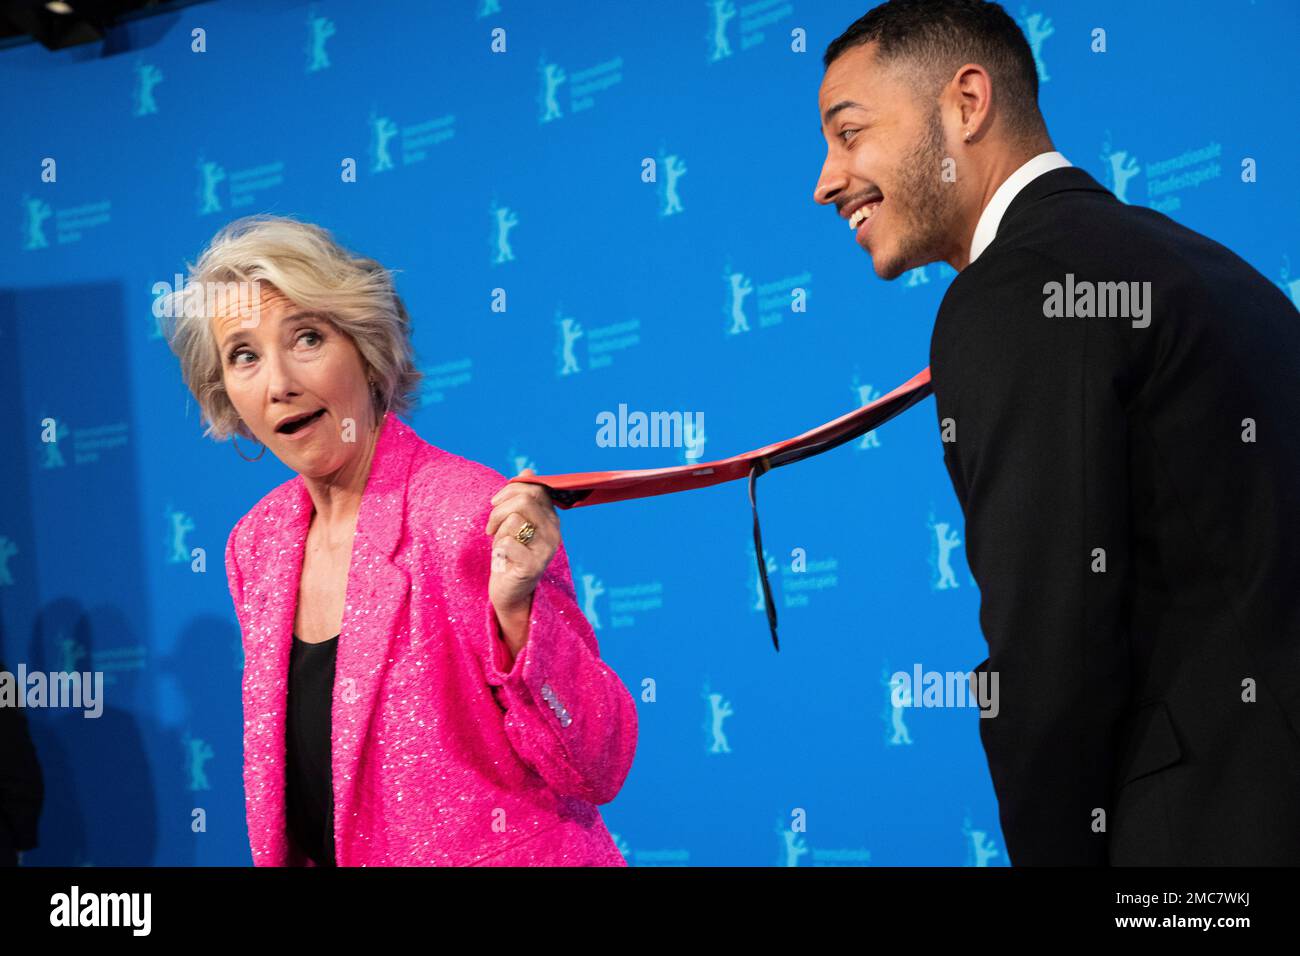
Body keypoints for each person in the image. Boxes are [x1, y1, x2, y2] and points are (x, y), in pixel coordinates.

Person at [814, 0, 1300, 864]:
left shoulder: (1018, 288)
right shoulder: (1223, 274)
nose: (826, 178)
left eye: (848, 133)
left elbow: (1049, 651)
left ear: (966, 103)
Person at [161, 214, 637, 866]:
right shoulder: (256, 545)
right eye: (243, 354)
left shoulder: (472, 512)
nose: (278, 384)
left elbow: (598, 764)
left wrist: (520, 615)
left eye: (305, 338)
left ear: (366, 346)